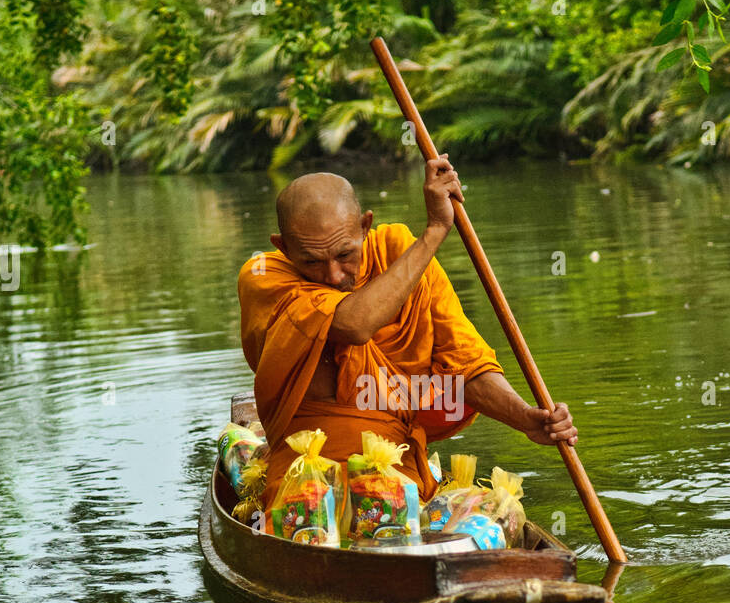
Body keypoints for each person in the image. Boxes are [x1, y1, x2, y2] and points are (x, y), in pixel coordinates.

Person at [238, 158, 578, 514]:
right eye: (312, 262)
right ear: (283, 245)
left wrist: (526, 418)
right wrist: (434, 230)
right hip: (306, 479)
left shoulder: (401, 254)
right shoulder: (264, 276)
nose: (334, 275)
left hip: (400, 473)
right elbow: (355, 325)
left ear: (365, 225)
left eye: (345, 254)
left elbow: (464, 365)